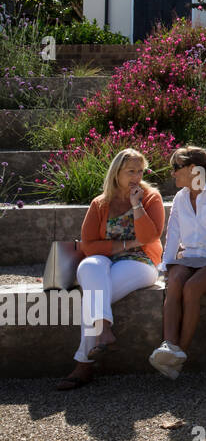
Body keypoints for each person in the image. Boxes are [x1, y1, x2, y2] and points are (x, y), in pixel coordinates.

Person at [57, 149, 165, 391]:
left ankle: (83, 364)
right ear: (117, 173)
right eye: (131, 171)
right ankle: (104, 329)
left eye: (140, 171)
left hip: (141, 262)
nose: (137, 177)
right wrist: (124, 244)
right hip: (104, 260)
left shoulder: (150, 198)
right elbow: (87, 246)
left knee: (94, 296)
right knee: (88, 264)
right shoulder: (100, 203)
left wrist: (137, 206)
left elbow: (150, 237)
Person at [149, 146, 206, 379]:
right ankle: (169, 345)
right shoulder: (180, 198)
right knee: (176, 282)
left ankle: (180, 354)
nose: (173, 173)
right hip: (189, 257)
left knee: (192, 288)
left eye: (176, 168)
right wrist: (167, 264)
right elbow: (173, 233)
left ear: (193, 169)